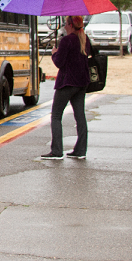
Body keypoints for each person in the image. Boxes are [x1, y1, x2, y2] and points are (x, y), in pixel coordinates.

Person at [42, 15, 91, 160]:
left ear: (70, 24)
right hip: (82, 82)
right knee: (80, 115)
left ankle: (57, 150)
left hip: (67, 82)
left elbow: (59, 63)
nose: (64, 25)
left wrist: (54, 54)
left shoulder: (66, 41)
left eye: (65, 23)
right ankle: (81, 149)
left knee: (56, 115)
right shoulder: (84, 39)